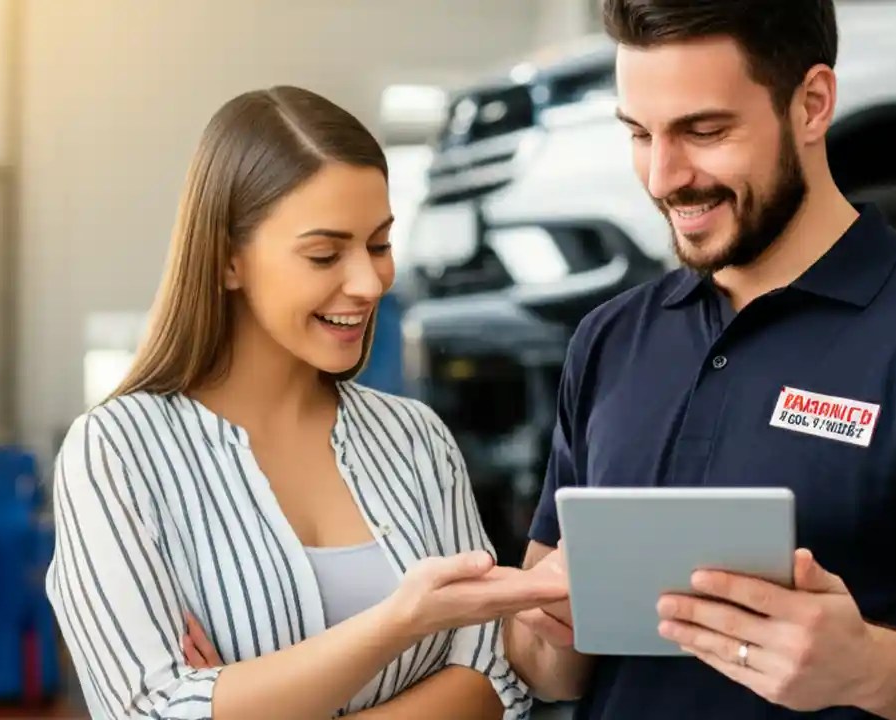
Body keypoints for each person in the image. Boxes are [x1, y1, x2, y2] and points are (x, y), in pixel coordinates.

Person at [502, 1, 896, 719]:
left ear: (812, 104)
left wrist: (871, 670)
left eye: (705, 131)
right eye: (639, 133)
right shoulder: (607, 341)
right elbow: (549, 672)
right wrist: (543, 634)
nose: (664, 177)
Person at [45, 86, 566, 720]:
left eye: (379, 245)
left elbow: (493, 678)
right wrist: (403, 622)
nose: (368, 281)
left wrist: (243, 699)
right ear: (227, 260)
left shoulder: (415, 439)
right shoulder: (116, 452)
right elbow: (154, 712)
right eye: (325, 254)